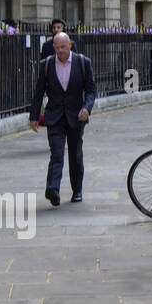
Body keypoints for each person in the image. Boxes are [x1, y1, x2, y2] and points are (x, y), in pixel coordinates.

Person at [28, 32, 96, 206]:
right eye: (56, 48)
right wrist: (34, 116)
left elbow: (90, 90)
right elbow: (38, 93)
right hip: (55, 116)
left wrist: (86, 108)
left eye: (62, 47)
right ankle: (53, 189)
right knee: (57, 153)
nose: (59, 51)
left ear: (70, 45)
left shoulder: (82, 62)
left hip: (76, 116)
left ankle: (77, 190)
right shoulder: (47, 64)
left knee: (75, 154)